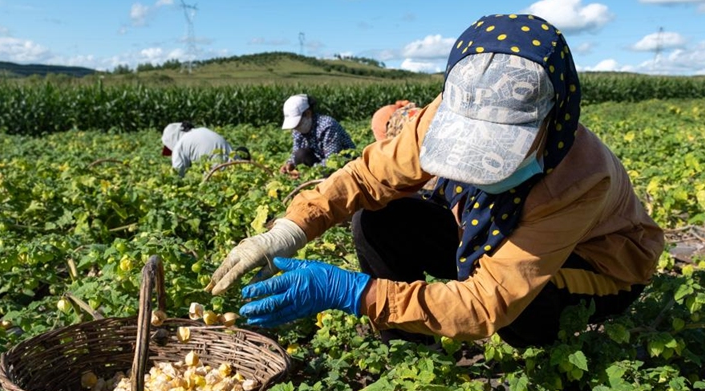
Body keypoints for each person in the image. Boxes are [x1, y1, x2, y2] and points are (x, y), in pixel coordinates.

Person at [206, 14, 664, 349]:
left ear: (554, 119)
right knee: (377, 219)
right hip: (492, 233)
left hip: (596, 269)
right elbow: (366, 177)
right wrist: (288, 231)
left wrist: (350, 292)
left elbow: (489, 302)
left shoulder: (580, 181)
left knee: (521, 317)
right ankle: (409, 346)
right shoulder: (439, 116)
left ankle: (554, 356)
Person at [279, 94, 356, 179]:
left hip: (344, 166)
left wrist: (306, 174)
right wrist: (290, 164)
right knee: (300, 154)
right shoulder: (298, 129)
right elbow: (296, 152)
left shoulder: (328, 126)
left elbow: (332, 161)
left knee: (331, 169)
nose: (295, 128)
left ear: (308, 113)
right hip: (320, 164)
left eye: (297, 124)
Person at [161, 122, 240, 177]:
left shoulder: (180, 145)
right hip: (237, 167)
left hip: (216, 174)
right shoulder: (203, 130)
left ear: (171, 140)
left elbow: (177, 175)